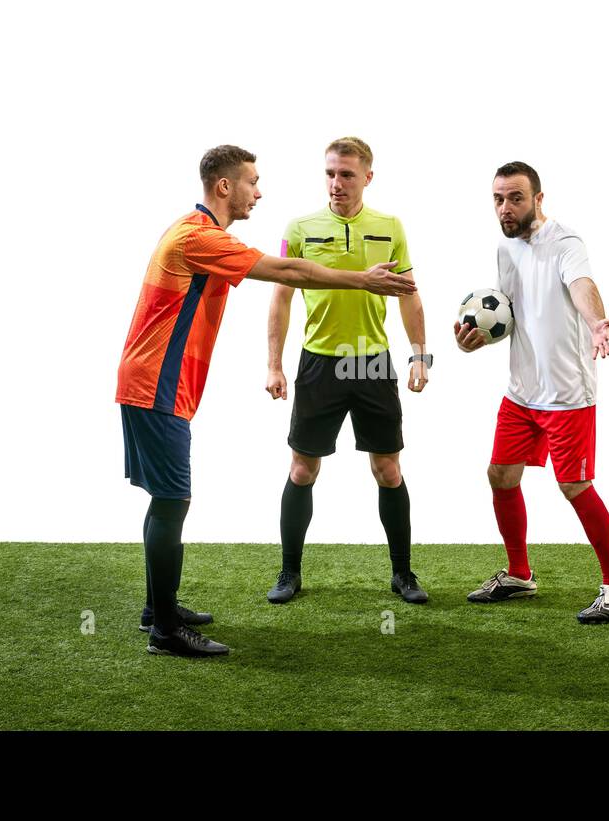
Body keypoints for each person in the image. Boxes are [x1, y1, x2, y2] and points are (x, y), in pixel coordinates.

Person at [116, 145, 416, 657]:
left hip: (155, 383)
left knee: (165, 501)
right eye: (253, 181)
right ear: (225, 186)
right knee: (172, 501)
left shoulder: (199, 232)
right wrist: (362, 281)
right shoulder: (200, 237)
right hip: (156, 387)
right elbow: (290, 274)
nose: (260, 191)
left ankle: (157, 607)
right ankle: (165, 629)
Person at [455, 161, 609, 623]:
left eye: (515, 197)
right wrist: (472, 337)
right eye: (498, 198)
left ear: (538, 198)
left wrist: (596, 321)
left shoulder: (566, 243)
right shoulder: (504, 247)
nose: (505, 207)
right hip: (521, 392)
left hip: (565, 394)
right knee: (500, 476)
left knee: (574, 485)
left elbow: (582, 285)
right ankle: (519, 574)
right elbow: (508, 311)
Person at [262, 137, 429, 605]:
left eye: (347, 174)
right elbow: (280, 296)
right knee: (301, 470)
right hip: (318, 361)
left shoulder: (390, 225)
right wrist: (274, 364)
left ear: (367, 177)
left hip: (373, 360)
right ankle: (289, 573)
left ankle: (403, 574)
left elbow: (409, 292)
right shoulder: (300, 227)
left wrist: (420, 354)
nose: (337, 183)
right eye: (331, 173)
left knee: (389, 470)